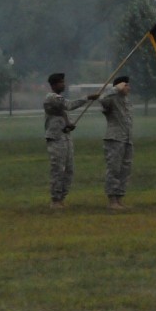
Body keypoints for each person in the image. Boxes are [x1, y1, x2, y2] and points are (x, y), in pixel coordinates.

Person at [43, 73, 97, 210]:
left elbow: (63, 114)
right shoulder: (51, 98)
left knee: (69, 169)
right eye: (61, 82)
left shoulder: (59, 100)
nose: (64, 84)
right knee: (58, 169)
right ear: (54, 85)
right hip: (55, 138)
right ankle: (55, 200)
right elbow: (69, 105)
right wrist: (87, 98)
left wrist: (69, 124)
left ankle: (62, 198)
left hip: (65, 137)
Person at [100, 75, 134, 211]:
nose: (129, 88)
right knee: (114, 169)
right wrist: (114, 89)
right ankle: (112, 200)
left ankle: (120, 198)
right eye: (126, 85)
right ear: (120, 86)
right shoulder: (112, 98)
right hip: (114, 138)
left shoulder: (126, 101)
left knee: (125, 169)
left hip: (127, 138)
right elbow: (102, 100)